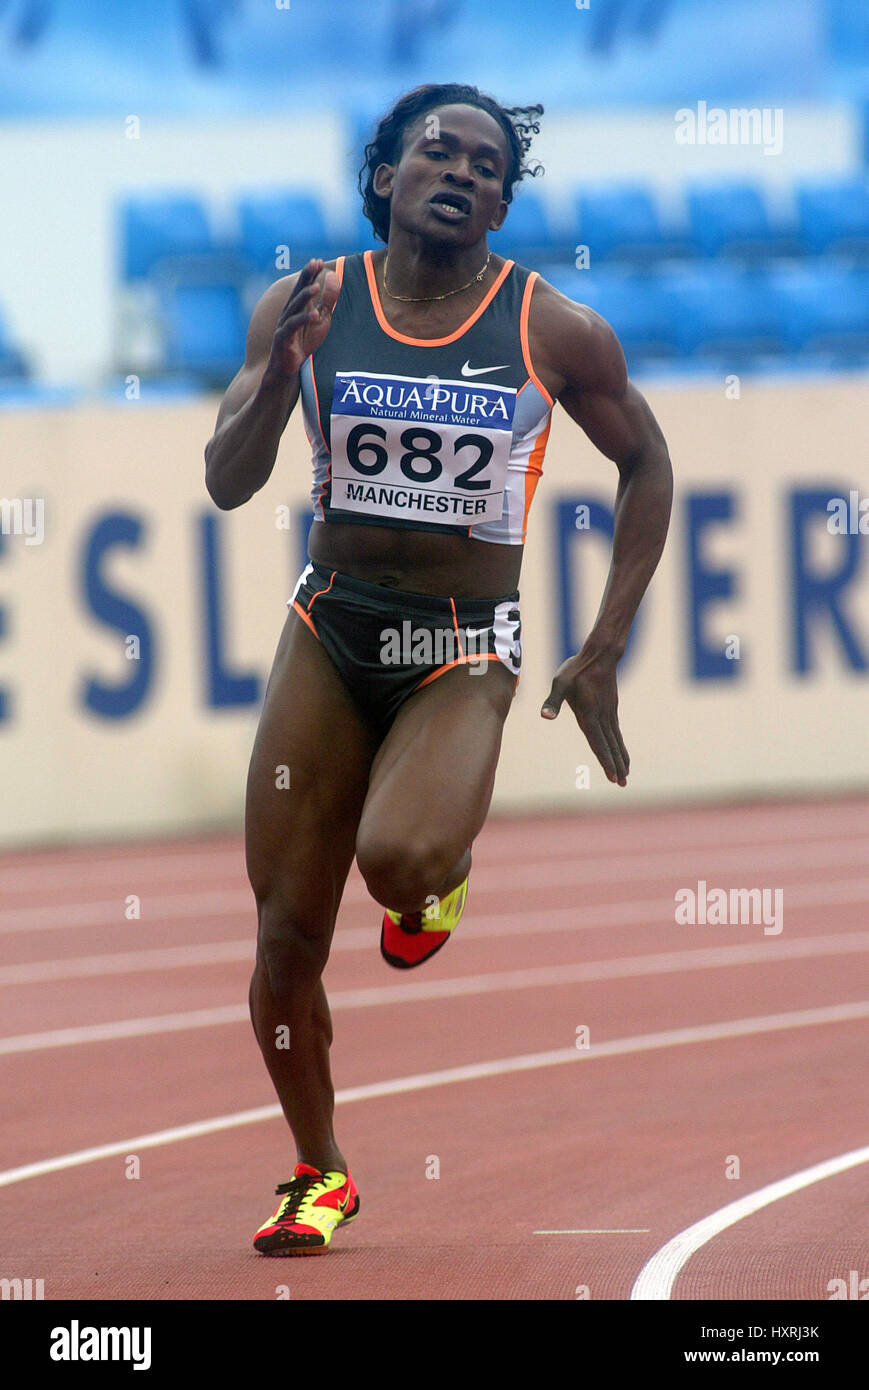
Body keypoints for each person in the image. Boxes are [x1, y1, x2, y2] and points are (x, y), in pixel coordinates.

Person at [204, 82, 673, 1256]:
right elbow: (225, 477)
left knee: (399, 861)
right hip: (330, 628)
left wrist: (602, 643)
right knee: (281, 941)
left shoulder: (551, 330)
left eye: (485, 164)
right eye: (436, 151)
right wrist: (279, 377)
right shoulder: (302, 303)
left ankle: (438, 873)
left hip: (460, 643)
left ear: (502, 205)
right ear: (385, 177)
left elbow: (647, 464)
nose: (460, 171)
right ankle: (318, 1168)